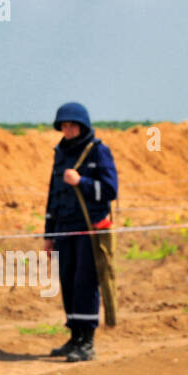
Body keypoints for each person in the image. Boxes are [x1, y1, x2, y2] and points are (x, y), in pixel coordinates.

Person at [43, 101, 118, 361]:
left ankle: (87, 342)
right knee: (67, 281)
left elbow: (111, 191)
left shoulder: (98, 152)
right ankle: (74, 337)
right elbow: (53, 196)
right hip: (64, 229)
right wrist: (48, 236)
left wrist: (82, 181)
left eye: (72, 124)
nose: (67, 129)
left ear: (82, 126)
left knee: (85, 283)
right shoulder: (60, 154)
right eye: (63, 125)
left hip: (88, 229)